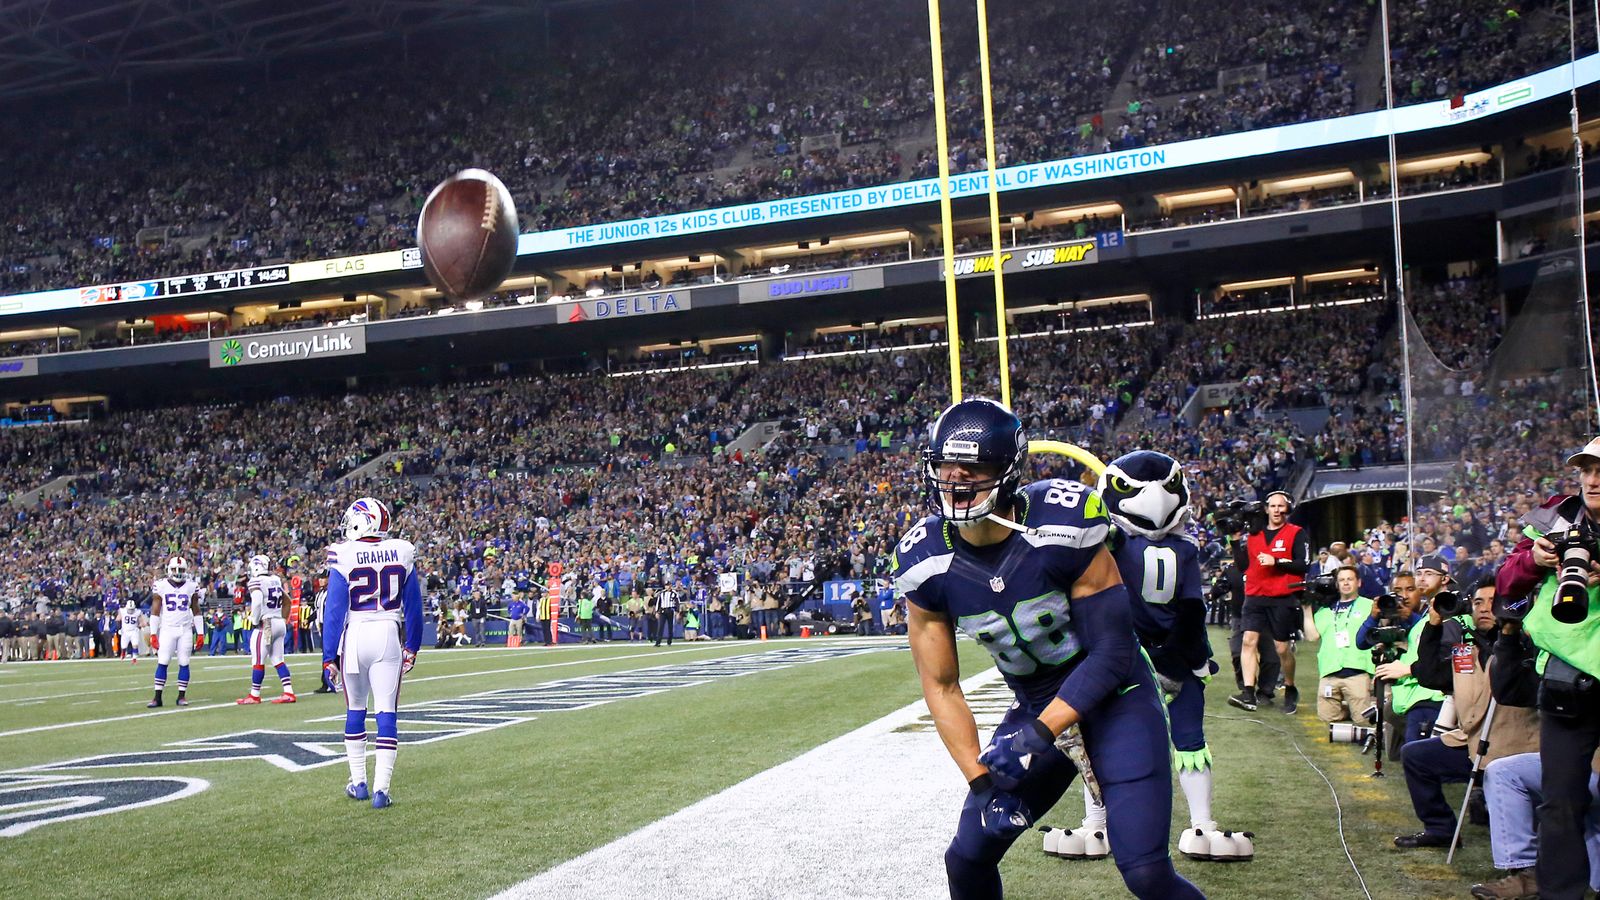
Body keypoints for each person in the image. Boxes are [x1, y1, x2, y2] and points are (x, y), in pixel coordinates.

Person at [895, 399, 1203, 900]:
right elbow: (941, 685)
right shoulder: (925, 559)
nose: (957, 481)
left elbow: (1111, 652)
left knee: (1145, 871)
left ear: (1009, 470)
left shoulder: (1064, 522)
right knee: (967, 857)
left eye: (974, 468)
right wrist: (980, 781)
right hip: (1036, 703)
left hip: (1116, 698)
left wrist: (1038, 735)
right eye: (947, 468)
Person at [1095, 449, 1243, 861]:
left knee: (1181, 739)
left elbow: (1192, 607)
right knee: (1127, 738)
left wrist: (1172, 659)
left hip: (1151, 657)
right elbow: (1192, 608)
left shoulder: (1121, 543)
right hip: (1140, 655)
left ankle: (1196, 822)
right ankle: (1196, 825)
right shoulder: (1167, 546)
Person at [1495, 436, 1600, 899]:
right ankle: (1560, 893)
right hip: (1567, 677)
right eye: (1587, 470)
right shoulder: (1555, 517)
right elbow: (1506, 587)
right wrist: (1534, 560)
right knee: (1560, 799)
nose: (1593, 480)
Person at [1394, 575, 1537, 849]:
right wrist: (1434, 625)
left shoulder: (1528, 645)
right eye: (1478, 602)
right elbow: (1429, 675)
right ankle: (1440, 829)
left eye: (1493, 602)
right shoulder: (1466, 650)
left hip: (1517, 748)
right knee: (1414, 755)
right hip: (1472, 744)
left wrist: (1511, 631)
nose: (1484, 608)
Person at [322, 497, 424, 809]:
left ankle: (359, 782)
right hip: (388, 634)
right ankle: (381, 789)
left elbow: (335, 610)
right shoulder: (402, 550)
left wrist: (329, 655)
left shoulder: (343, 553)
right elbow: (415, 608)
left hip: (355, 635)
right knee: (386, 711)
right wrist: (413, 647)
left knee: (355, 708)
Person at [1231, 491, 1309, 714]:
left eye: (1280, 506)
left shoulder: (1296, 533)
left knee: (1282, 648)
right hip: (1255, 595)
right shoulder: (1255, 535)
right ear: (1266, 509)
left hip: (1282, 597)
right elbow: (1244, 566)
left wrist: (1277, 561)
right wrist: (1235, 542)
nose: (1276, 510)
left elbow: (1303, 565)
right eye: (1272, 506)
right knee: (1248, 641)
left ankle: (1290, 687)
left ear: (1287, 509)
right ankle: (1248, 692)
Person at [1301, 566, 1375, 723]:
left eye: (1350, 579)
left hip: (1358, 670)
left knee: (1363, 721)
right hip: (1330, 671)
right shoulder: (1325, 610)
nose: (1346, 583)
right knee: (1327, 717)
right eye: (1341, 580)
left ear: (1359, 582)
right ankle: (1350, 709)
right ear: (1337, 584)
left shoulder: (1370, 606)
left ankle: (1358, 708)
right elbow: (1312, 636)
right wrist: (1306, 609)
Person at [237, 555, 295, 704]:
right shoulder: (275, 580)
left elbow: (256, 603)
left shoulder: (256, 581)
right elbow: (287, 600)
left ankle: (254, 694)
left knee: (257, 660)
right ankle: (288, 692)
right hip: (278, 622)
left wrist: (253, 620)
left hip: (266, 623)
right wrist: (283, 618)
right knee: (278, 659)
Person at [148, 557, 203, 707]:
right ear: (169, 570)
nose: (178, 573)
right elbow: (155, 611)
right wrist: (153, 633)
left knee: (184, 662)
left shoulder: (191, 586)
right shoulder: (161, 586)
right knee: (163, 661)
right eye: (175, 569)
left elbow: (196, 610)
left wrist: (200, 633)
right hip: (167, 629)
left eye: (181, 570)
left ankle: (181, 696)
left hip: (185, 629)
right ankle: (157, 697)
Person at [655, 583, 678, 647]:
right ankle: (658, 642)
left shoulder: (674, 593)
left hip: (670, 610)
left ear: (670, 586)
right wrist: (657, 612)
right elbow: (658, 603)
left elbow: (677, 602)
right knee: (660, 627)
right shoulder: (661, 593)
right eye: (666, 585)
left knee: (670, 627)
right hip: (663, 611)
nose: (667, 586)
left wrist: (677, 611)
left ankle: (669, 641)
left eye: (668, 585)